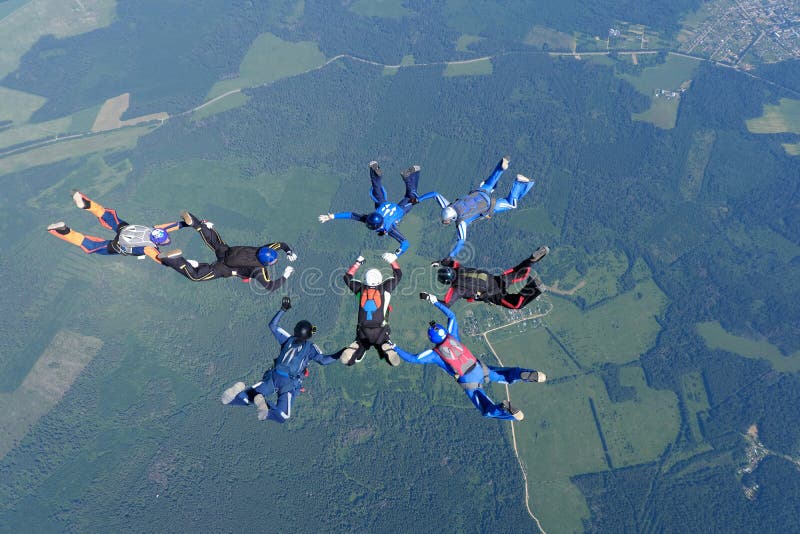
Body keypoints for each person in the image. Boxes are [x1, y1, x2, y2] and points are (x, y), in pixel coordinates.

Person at [395, 293, 546, 421]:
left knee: (486, 409)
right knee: (503, 374)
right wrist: (434, 300)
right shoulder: (452, 336)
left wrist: (394, 347)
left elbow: (412, 358)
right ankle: (522, 374)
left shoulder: (435, 354)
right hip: (479, 368)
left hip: (469, 381)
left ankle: (505, 411)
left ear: (431, 339)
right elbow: (451, 316)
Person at [221, 297, 339, 423]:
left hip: (272, 376)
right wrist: (342, 352)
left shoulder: (288, 340)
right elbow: (324, 360)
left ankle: (233, 397)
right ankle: (265, 408)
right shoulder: (310, 348)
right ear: (309, 336)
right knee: (283, 416)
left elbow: (273, 325)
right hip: (288, 383)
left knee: (247, 397)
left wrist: (283, 309)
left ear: (295, 331)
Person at [318, 161, 436, 257]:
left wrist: (396, 255)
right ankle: (377, 172)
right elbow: (351, 215)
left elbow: (405, 243)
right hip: (383, 205)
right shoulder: (371, 219)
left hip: (398, 209)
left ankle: (408, 176)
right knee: (377, 188)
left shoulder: (388, 228)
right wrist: (332, 216)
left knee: (411, 196)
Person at [158, 211, 296, 291]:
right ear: (267, 263)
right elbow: (270, 287)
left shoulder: (265, 249)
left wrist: (289, 251)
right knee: (195, 276)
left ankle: (195, 222)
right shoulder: (259, 269)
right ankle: (177, 260)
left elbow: (281, 244)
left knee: (214, 240)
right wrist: (286, 275)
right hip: (224, 268)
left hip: (226, 251)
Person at [432, 156, 535, 259]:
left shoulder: (461, 223)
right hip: (480, 192)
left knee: (511, 203)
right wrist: (417, 199)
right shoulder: (449, 205)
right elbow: (435, 194)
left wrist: (449, 257)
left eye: (446, 220)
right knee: (490, 182)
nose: (444, 221)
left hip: (489, 206)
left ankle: (519, 183)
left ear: (452, 218)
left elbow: (461, 241)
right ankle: (501, 167)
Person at [47, 191, 183, 262]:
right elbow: (158, 258)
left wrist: (185, 224)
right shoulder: (149, 247)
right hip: (117, 245)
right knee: (89, 245)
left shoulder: (155, 229)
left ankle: (86, 203)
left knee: (108, 216)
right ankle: (63, 230)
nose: (166, 241)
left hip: (125, 229)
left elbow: (169, 226)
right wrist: (168, 261)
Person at [337, 252, 403, 366]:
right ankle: (385, 347)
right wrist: (392, 260)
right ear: (380, 279)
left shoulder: (360, 288)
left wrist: (358, 263)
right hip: (380, 330)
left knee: (360, 346)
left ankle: (355, 347)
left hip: (363, 330)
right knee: (383, 347)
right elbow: (398, 274)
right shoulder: (385, 287)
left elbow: (347, 277)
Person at [434, 246, 549, 308]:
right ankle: (531, 260)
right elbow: (450, 262)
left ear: (446, 281)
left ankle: (535, 287)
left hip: (493, 294)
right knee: (519, 273)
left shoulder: (457, 289)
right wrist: (439, 262)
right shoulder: (459, 269)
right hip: (496, 280)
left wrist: (432, 299)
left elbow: (446, 304)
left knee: (516, 304)